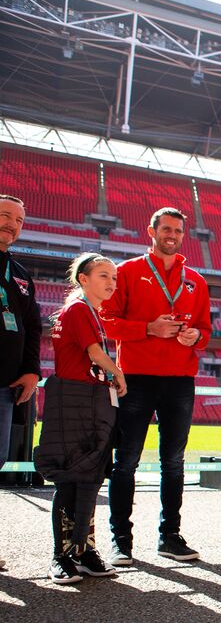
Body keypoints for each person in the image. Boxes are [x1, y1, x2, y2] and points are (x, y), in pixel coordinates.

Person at [99, 207, 212, 566]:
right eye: (166, 228)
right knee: (126, 460)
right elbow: (106, 321)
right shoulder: (128, 271)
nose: (172, 235)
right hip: (136, 377)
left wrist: (196, 336)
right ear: (151, 230)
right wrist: (148, 328)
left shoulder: (196, 280)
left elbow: (207, 331)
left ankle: (170, 536)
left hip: (180, 380)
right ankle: (121, 539)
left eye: (178, 230)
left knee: (174, 462)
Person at [35, 254, 125, 583]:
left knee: (90, 475)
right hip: (74, 400)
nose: (111, 282)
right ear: (83, 279)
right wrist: (118, 374)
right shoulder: (78, 309)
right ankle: (62, 555)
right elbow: (95, 354)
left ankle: (84, 551)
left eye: (114, 277)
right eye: (104, 275)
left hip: (90, 400)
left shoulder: (88, 311)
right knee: (71, 475)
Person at [0, 195, 41, 571]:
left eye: (19, 220)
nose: (12, 224)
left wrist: (32, 370)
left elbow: (32, 327)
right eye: (5, 216)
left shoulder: (20, 275)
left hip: (4, 386)